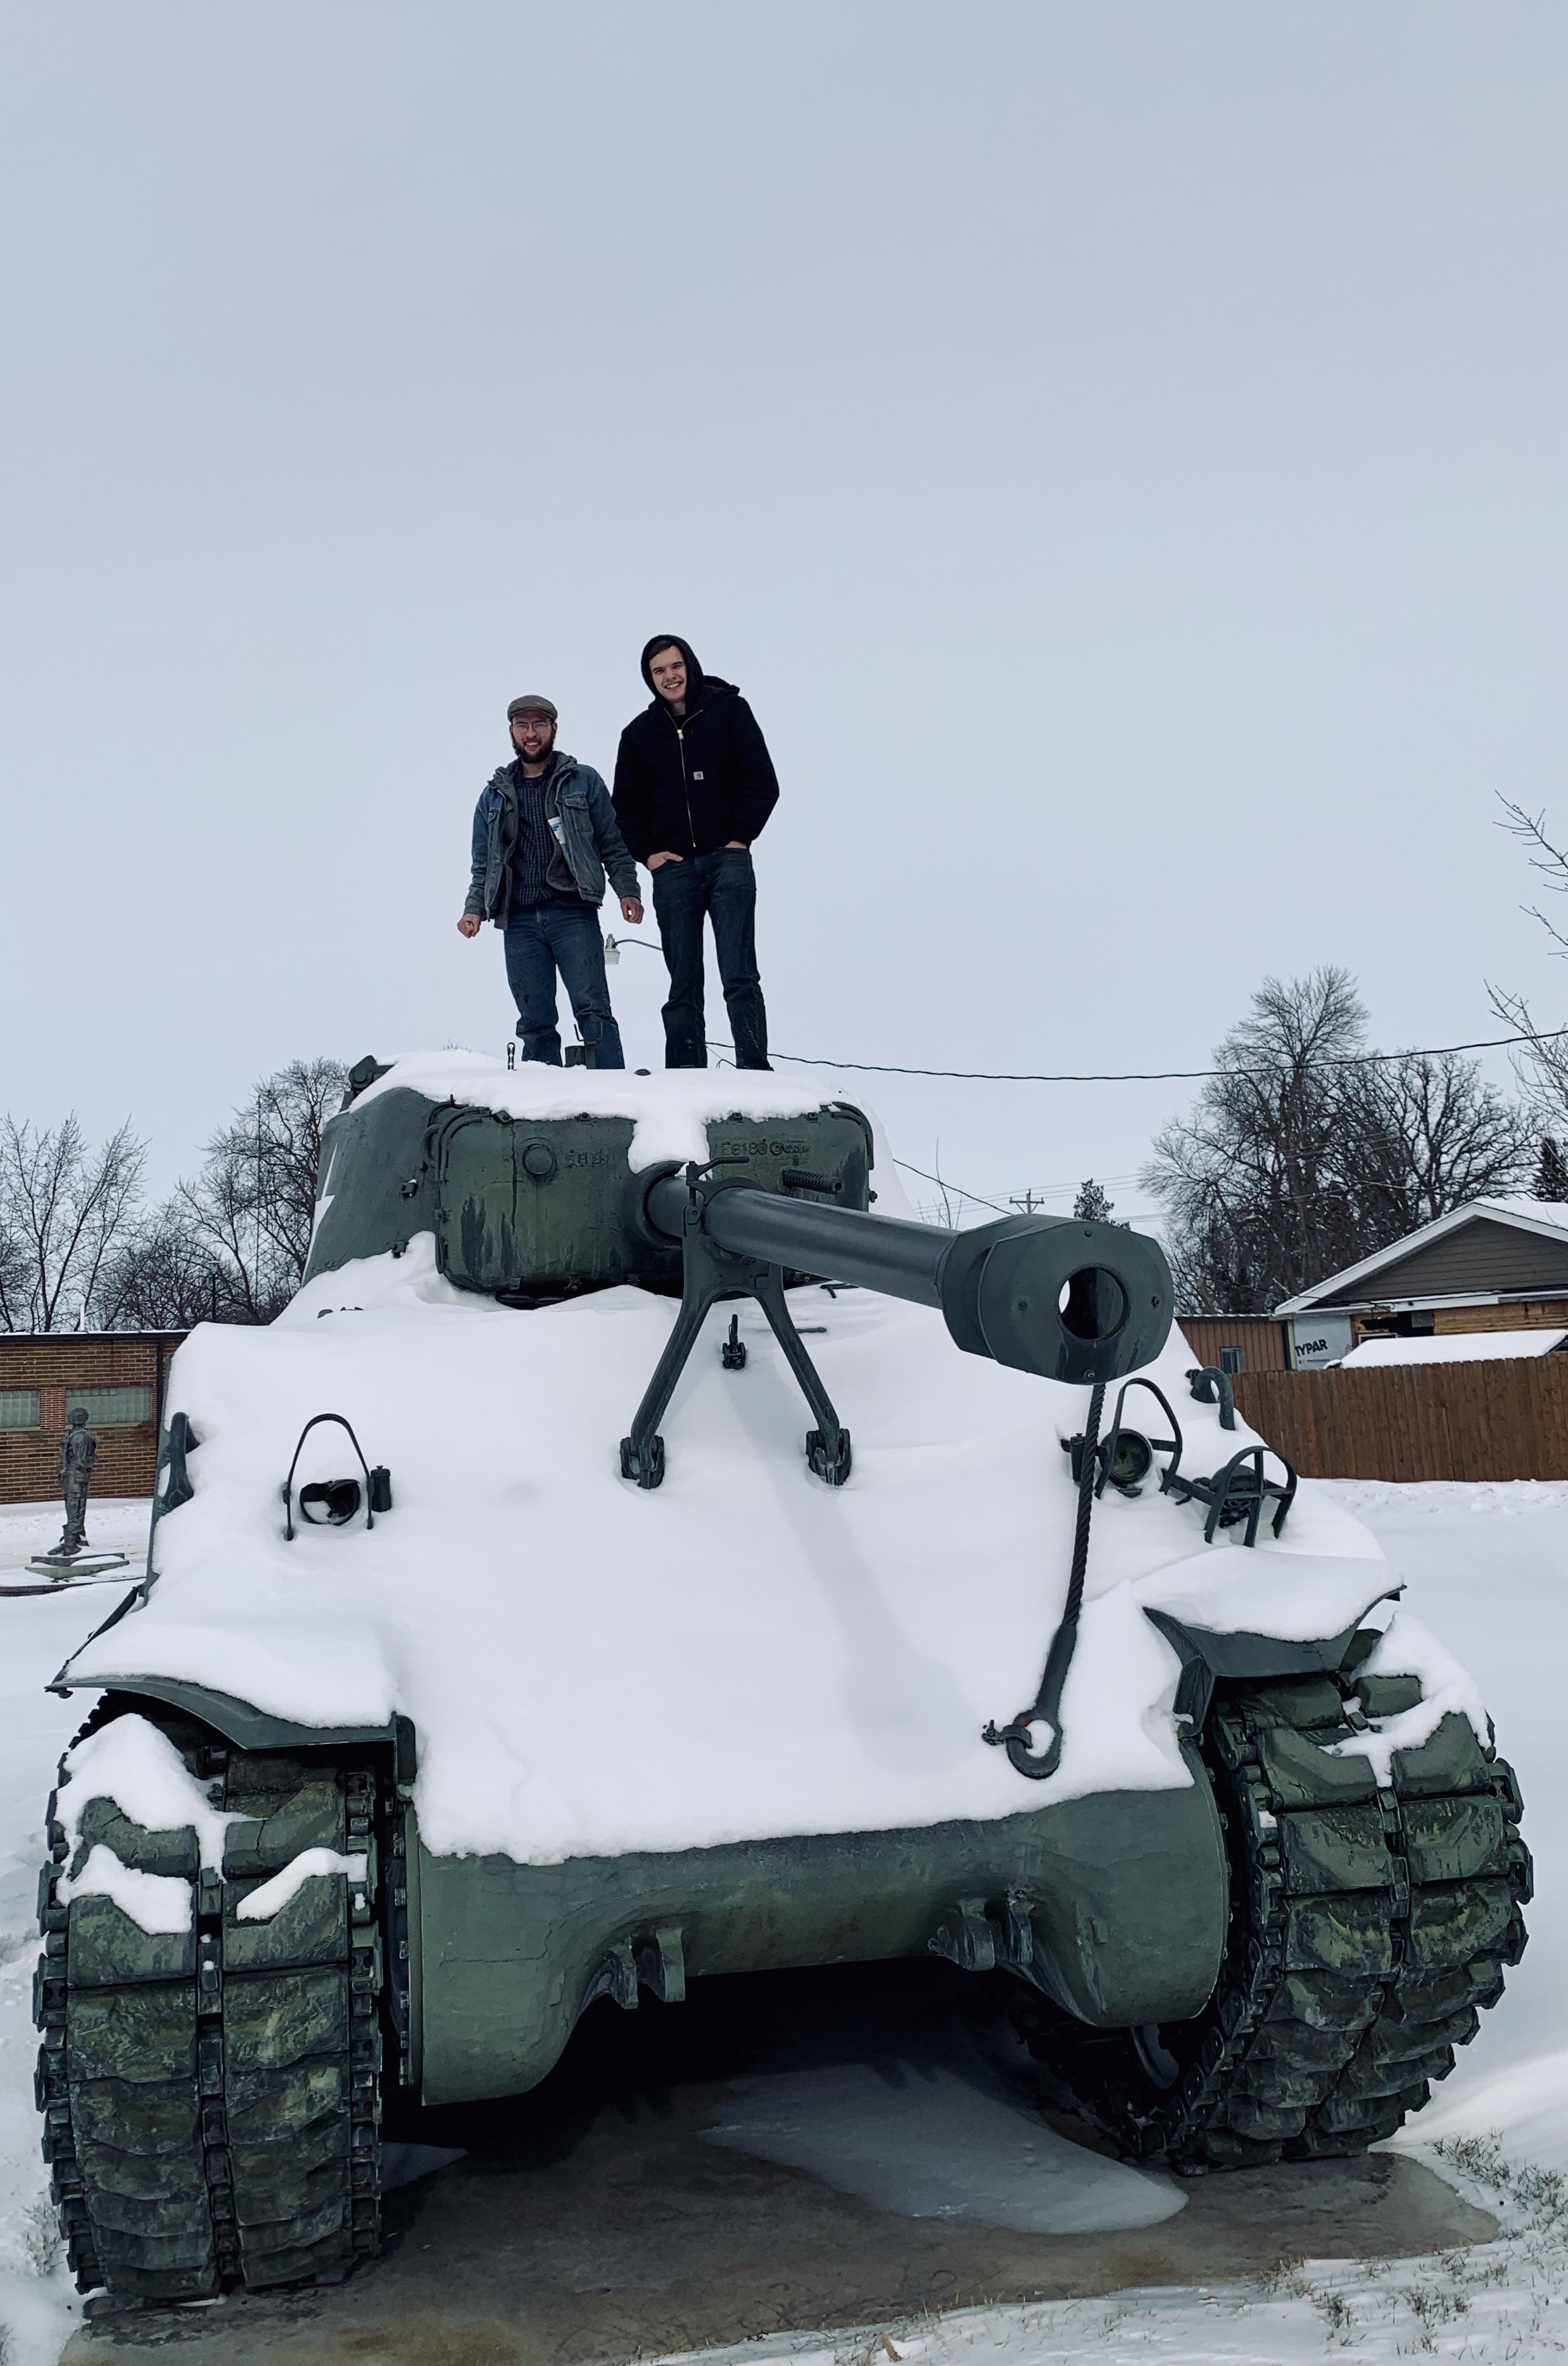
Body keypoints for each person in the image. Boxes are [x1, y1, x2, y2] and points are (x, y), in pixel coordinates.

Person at [611, 635, 779, 1070]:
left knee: (739, 974)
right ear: (650, 679)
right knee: (683, 981)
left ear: (691, 664)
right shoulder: (638, 736)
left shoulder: (730, 712)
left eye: (675, 665)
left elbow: (761, 780)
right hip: (674, 872)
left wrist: (740, 837)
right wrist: (648, 855)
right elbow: (624, 807)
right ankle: (686, 1078)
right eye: (659, 671)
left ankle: (755, 1070)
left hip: (729, 862)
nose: (670, 676)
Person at [459, 694, 643, 1068]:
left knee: (593, 1010)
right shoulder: (492, 796)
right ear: (511, 731)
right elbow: (484, 865)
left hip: (572, 912)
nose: (531, 734)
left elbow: (612, 842)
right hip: (519, 922)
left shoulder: (583, 781)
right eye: (523, 726)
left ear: (553, 729)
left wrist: (628, 890)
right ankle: (540, 1109)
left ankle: (613, 1096)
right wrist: (473, 910)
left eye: (539, 725)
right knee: (534, 1022)